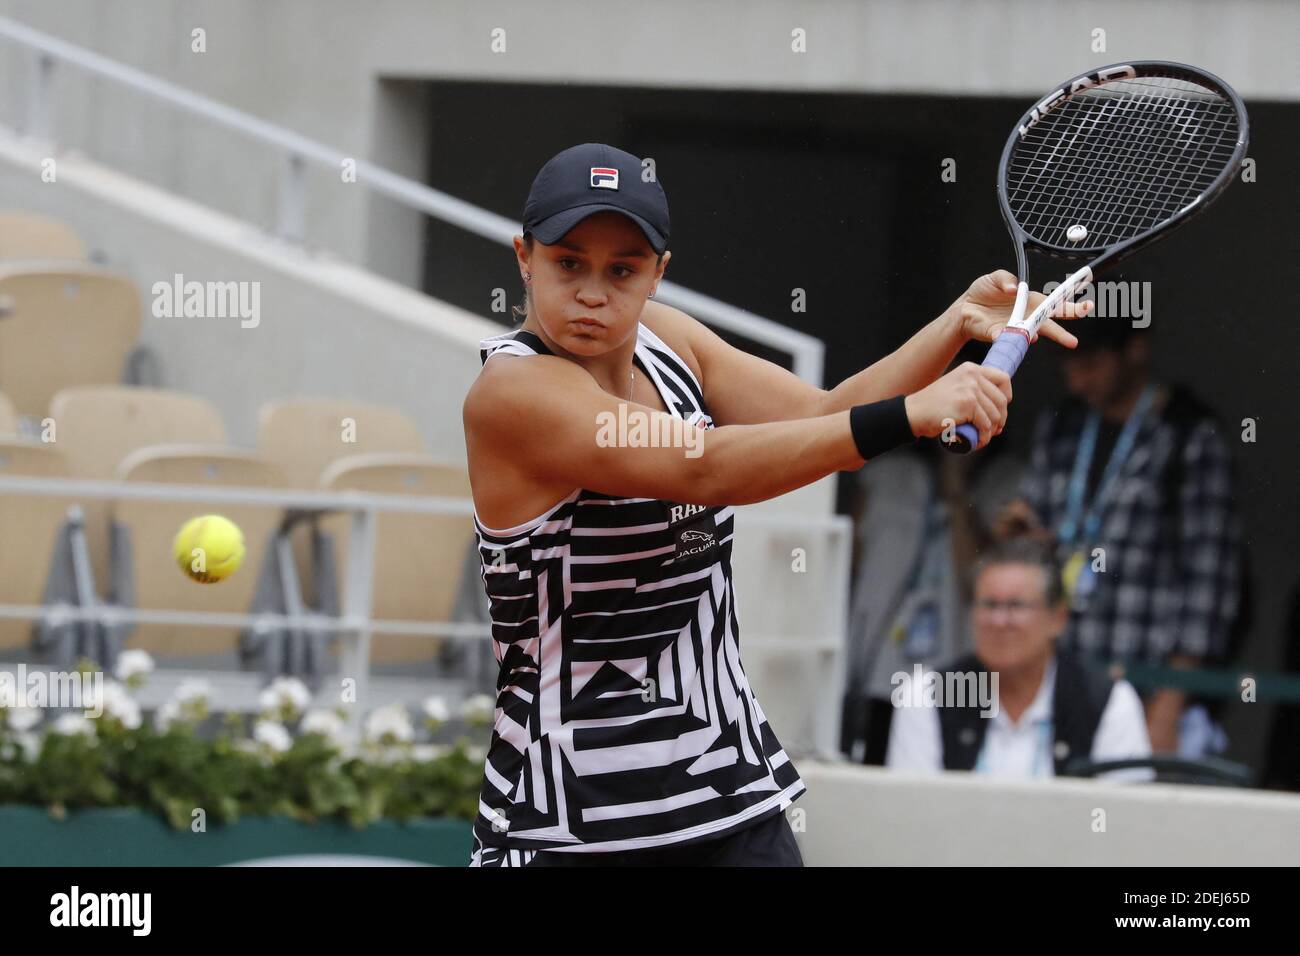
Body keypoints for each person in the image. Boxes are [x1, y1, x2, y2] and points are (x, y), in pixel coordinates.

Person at [461, 142, 1084, 867]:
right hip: (568, 819)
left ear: (658, 273)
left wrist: (954, 324)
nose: (594, 294)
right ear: (524, 258)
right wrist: (912, 413)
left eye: (622, 270)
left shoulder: (670, 340)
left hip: (728, 794)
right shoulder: (513, 393)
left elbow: (827, 416)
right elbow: (705, 467)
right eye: (569, 263)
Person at [995, 320, 1243, 754]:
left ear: (1136, 349)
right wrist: (1025, 538)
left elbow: (1208, 586)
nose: (1077, 381)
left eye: (1090, 364)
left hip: (1143, 683)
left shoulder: (1187, 435)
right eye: (1068, 367)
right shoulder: (1062, 425)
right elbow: (1039, 543)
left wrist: (1168, 706)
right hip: (1055, 677)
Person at [885, 537, 1152, 779]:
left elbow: (1123, 812)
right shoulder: (928, 695)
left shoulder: (1109, 701)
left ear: (1057, 618)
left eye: (1016, 606)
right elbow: (914, 809)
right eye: (989, 605)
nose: (1000, 621)